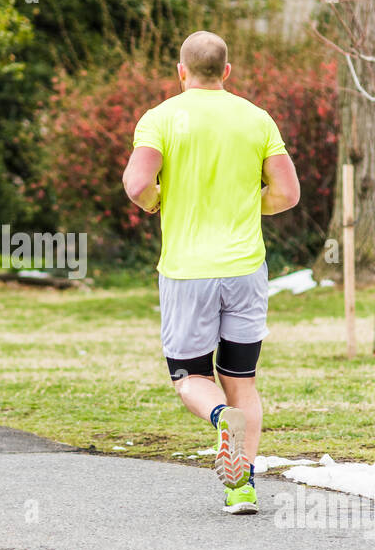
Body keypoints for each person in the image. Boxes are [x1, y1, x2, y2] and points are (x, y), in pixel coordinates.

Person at [122, 30, 299, 514]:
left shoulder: (161, 118)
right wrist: (248, 205)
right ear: (226, 71)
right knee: (243, 379)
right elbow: (287, 193)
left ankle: (221, 418)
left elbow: (137, 184)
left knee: (189, 375)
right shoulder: (256, 118)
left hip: (187, 272)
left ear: (181, 72)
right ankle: (241, 488)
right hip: (246, 270)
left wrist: (159, 200)